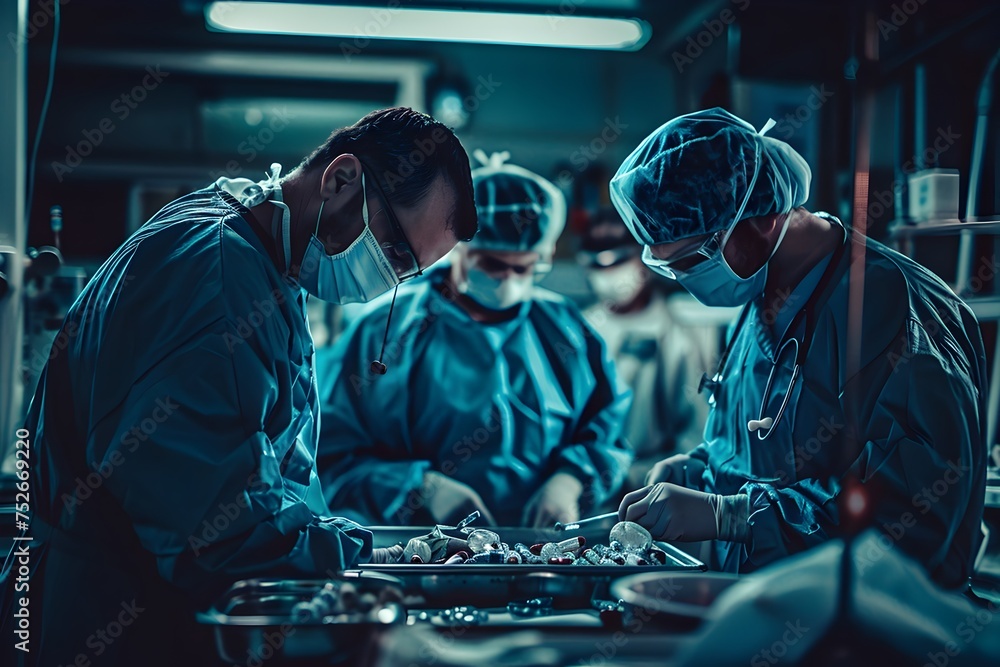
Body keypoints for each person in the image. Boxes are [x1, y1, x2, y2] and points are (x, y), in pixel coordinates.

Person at [0, 107, 478, 665]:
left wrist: (365, 549)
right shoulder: (219, 276)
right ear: (340, 179)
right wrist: (375, 557)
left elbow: (268, 481)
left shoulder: (263, 260)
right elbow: (215, 528)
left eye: (408, 273)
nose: (388, 281)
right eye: (395, 250)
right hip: (104, 620)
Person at [612, 107, 986, 590]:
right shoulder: (758, 298)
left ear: (763, 219)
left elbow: (918, 509)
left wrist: (733, 516)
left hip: (880, 629)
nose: (684, 280)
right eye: (668, 268)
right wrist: (701, 470)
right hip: (766, 611)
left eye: (691, 260)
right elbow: (754, 450)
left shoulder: (890, 306)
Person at [317, 152, 632, 528]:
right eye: (492, 264)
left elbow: (607, 429)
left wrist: (570, 481)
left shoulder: (567, 332)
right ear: (456, 247)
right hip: (418, 552)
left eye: (523, 267)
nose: (507, 279)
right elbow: (333, 454)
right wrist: (421, 489)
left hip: (543, 550)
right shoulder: (384, 330)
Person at [579, 207, 718, 491]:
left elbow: (698, 432)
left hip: (654, 485)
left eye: (617, 260)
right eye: (596, 263)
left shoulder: (680, 330)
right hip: (586, 482)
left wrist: (644, 478)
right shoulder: (578, 329)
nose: (606, 273)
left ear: (644, 259)